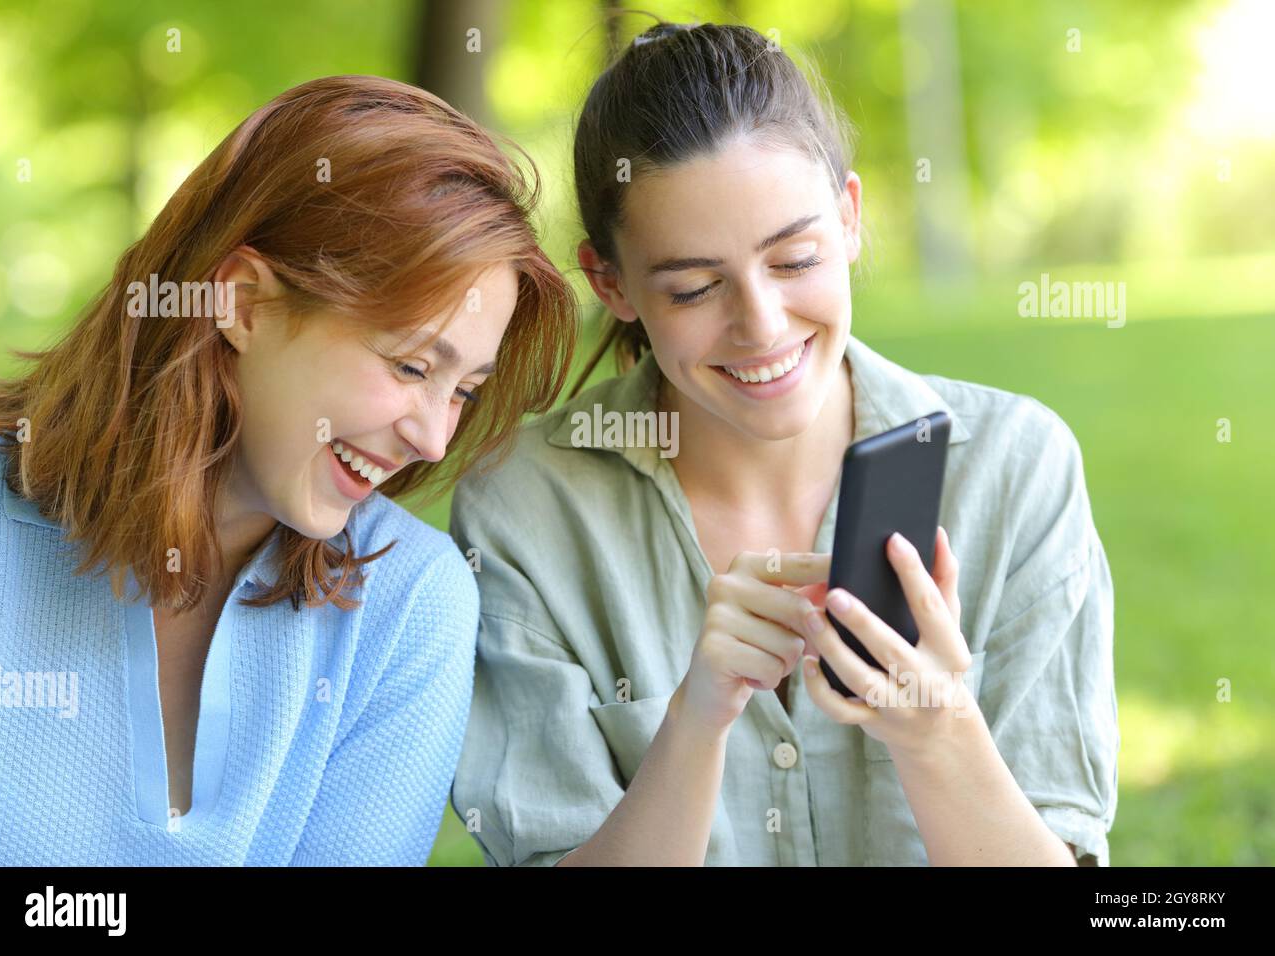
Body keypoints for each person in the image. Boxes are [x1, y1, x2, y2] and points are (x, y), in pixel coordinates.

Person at [448, 22, 1118, 866]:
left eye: (795, 259)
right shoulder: (525, 511)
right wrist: (694, 721)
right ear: (610, 283)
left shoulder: (1017, 468)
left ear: (849, 219)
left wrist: (936, 731)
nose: (761, 326)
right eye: (694, 287)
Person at [0, 75, 577, 865]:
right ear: (245, 305)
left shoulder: (409, 605)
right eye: (409, 366)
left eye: (464, 390)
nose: (434, 440)